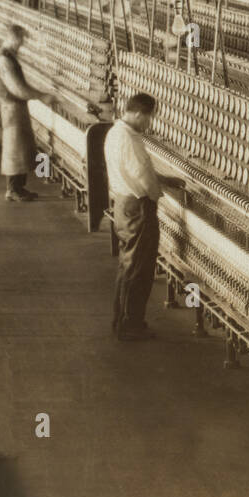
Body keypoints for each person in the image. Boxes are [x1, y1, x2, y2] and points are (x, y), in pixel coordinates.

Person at [104, 93, 185, 341]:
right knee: (138, 266)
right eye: (149, 118)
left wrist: (165, 179)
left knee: (129, 264)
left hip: (123, 203)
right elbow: (143, 177)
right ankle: (130, 324)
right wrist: (157, 192)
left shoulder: (116, 133)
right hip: (137, 208)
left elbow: (137, 170)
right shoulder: (130, 139)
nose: (149, 124)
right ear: (139, 114)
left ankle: (123, 320)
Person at [0, 25, 57, 202]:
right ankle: (12, 189)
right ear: (12, 38)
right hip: (12, 108)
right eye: (20, 40)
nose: (21, 44)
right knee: (14, 149)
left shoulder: (8, 57)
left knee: (20, 148)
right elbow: (18, 88)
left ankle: (18, 187)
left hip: (16, 107)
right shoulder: (4, 61)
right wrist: (41, 96)